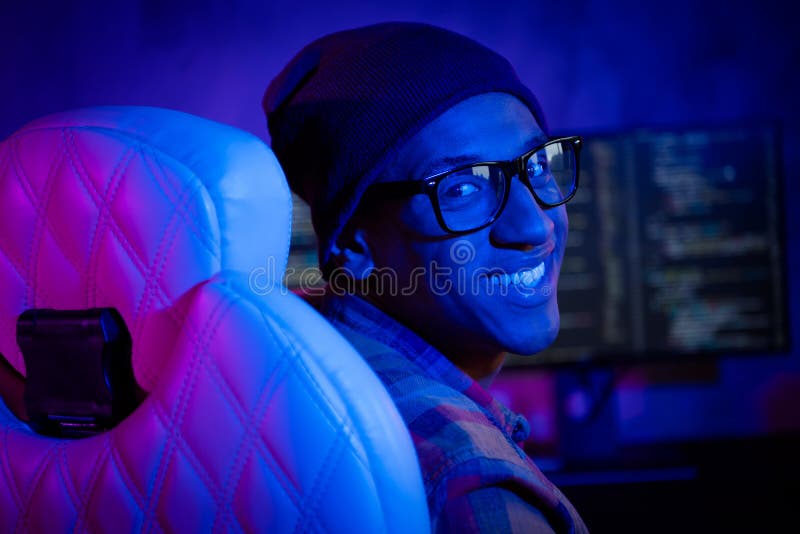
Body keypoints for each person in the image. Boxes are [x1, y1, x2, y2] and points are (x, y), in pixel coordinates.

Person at [264, 22, 588, 533]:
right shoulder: (471, 482)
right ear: (353, 244)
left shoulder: (304, 360)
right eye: (461, 189)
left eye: (537, 165)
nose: (535, 224)